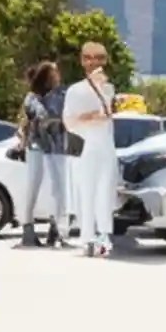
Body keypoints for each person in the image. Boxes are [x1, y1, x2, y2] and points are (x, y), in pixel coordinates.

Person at [62, 42, 118, 257]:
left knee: (105, 190)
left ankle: (104, 235)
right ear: (83, 60)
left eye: (99, 57)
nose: (94, 62)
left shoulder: (109, 88)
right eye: (89, 57)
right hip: (86, 147)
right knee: (86, 192)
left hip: (105, 146)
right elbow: (68, 121)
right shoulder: (76, 90)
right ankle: (87, 237)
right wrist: (92, 116)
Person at [16, 61, 71, 249]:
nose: (58, 76)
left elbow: (69, 116)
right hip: (37, 146)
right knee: (33, 186)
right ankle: (27, 228)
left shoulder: (61, 96)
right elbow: (38, 113)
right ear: (46, 77)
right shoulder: (32, 97)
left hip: (57, 147)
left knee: (59, 190)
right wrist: (50, 119)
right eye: (54, 73)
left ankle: (56, 231)